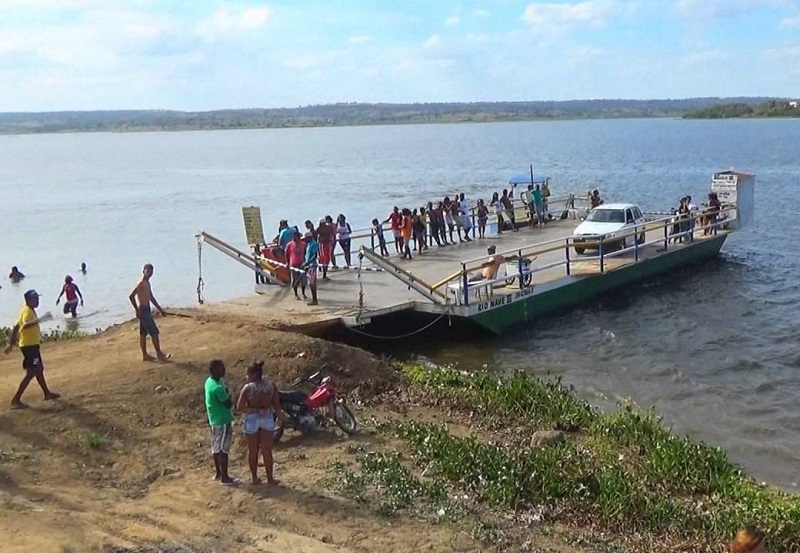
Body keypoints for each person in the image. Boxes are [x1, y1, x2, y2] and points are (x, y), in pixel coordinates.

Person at [3, 290, 60, 409]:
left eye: (37, 298)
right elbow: (25, 325)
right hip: (29, 347)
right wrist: (41, 319)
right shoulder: (27, 311)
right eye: (35, 299)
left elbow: (17, 327)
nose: (37, 301)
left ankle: (47, 393)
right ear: (28, 300)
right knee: (32, 371)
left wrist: (11, 344)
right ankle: (16, 399)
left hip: (31, 346)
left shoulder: (28, 310)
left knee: (39, 369)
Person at [236, 361, 283, 485]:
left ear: (254, 374)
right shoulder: (271, 386)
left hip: (252, 419)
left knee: (253, 450)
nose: (246, 377)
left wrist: (254, 410)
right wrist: (279, 417)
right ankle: (270, 479)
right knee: (267, 450)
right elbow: (277, 404)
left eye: (248, 374)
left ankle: (254, 478)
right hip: (267, 418)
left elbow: (240, 407)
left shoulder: (248, 388)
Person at [128, 263, 170, 362]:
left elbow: (150, 297)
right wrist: (136, 310)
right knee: (154, 332)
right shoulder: (141, 283)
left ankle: (145, 355)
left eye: (151, 271)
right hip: (143, 310)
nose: (150, 273)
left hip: (146, 309)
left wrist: (160, 309)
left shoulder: (147, 283)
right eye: (148, 271)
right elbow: (131, 296)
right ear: (143, 271)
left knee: (143, 333)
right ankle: (159, 354)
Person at [205, 359, 237, 485]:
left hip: (213, 419)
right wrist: (229, 395)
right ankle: (225, 478)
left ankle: (218, 473)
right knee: (224, 449)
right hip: (223, 420)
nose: (224, 369)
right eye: (221, 368)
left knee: (216, 446)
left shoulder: (209, 382)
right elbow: (228, 403)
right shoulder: (218, 388)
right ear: (215, 370)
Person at [285, 230, 307, 300]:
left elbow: (306, 253)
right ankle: (296, 294)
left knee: (303, 280)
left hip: (302, 264)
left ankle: (303, 293)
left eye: (295, 238)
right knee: (295, 279)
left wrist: (305, 262)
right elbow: (286, 254)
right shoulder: (289, 244)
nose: (294, 239)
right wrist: (287, 263)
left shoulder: (303, 244)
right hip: (293, 264)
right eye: (293, 237)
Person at [303, 230, 319, 306]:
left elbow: (315, 255)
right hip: (308, 265)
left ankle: (314, 300)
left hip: (312, 266)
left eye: (306, 238)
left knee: (312, 283)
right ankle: (314, 299)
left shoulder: (314, 244)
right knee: (310, 283)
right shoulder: (308, 244)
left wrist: (307, 263)